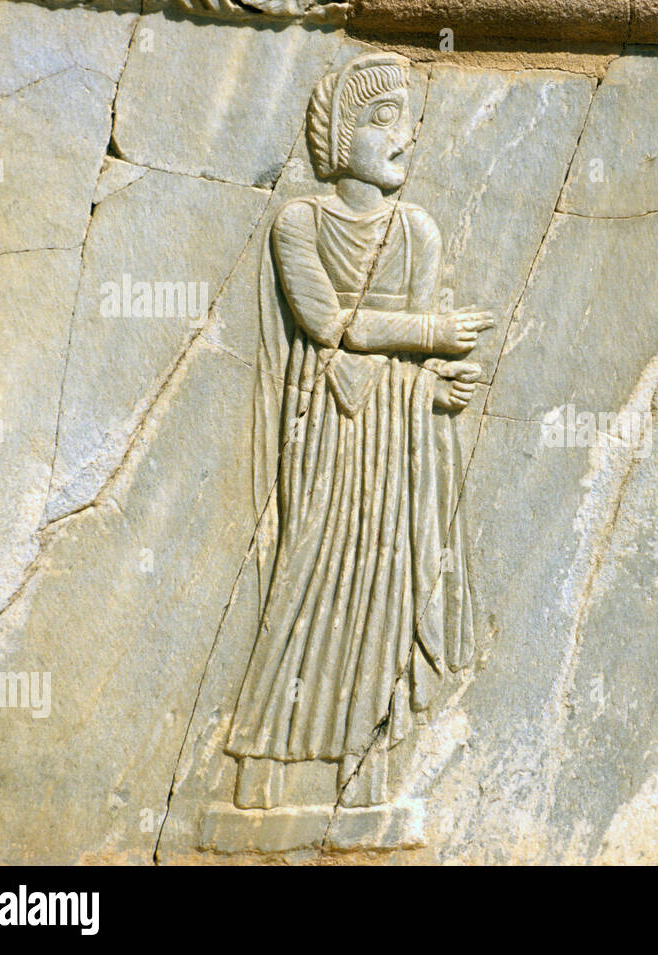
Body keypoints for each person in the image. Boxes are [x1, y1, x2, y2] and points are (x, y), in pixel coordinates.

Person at [227, 51, 493, 809]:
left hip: (400, 432)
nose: (405, 137)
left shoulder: (419, 230)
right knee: (308, 581)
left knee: (389, 589)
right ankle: (259, 769)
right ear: (341, 137)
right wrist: (432, 334)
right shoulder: (298, 222)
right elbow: (325, 323)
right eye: (383, 121)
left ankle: (367, 775)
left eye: (406, 120)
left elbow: (397, 352)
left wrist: (441, 384)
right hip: (329, 427)